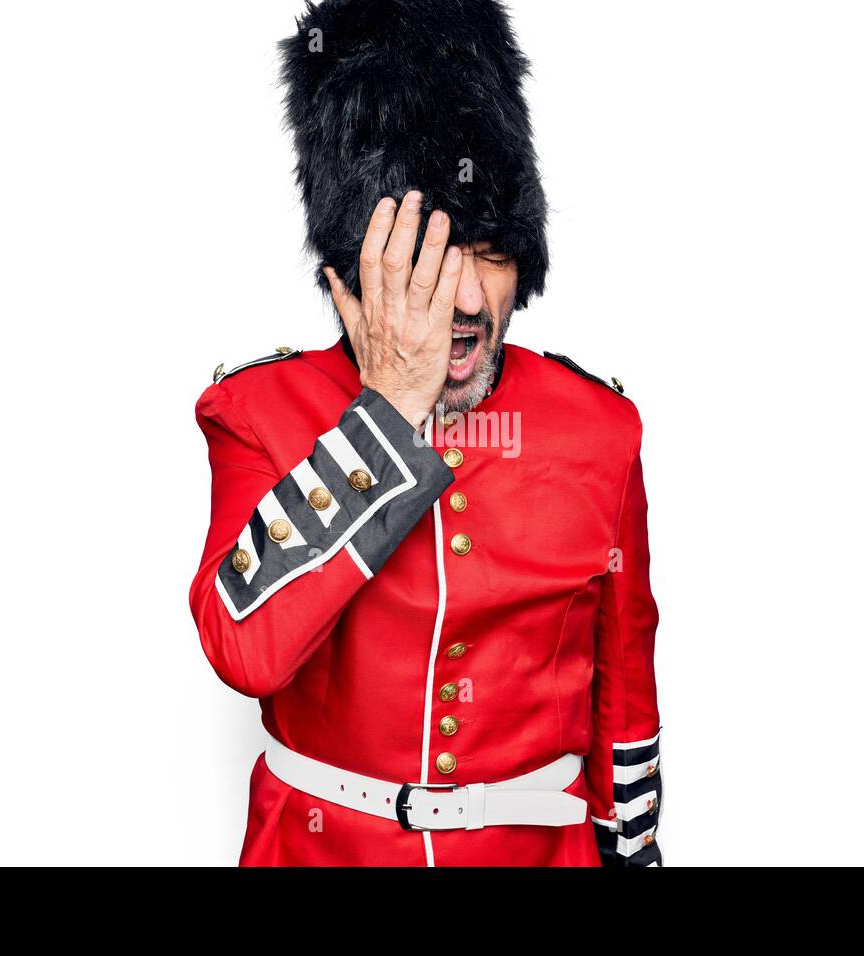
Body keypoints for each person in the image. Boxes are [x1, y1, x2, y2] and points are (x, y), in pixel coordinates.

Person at [189, 0, 663, 866]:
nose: (473, 302)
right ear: (353, 268)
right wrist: (387, 412)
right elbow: (241, 648)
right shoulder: (258, 411)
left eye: (491, 251)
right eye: (436, 257)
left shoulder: (601, 428)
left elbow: (625, 698)